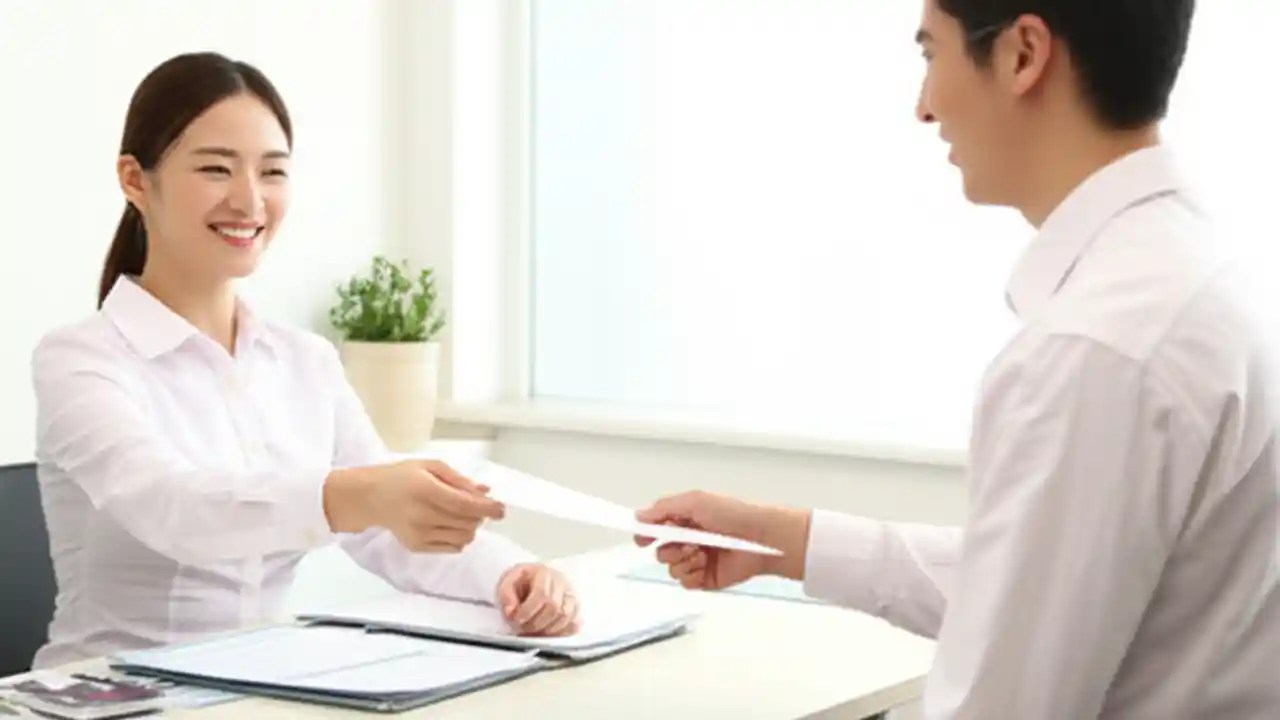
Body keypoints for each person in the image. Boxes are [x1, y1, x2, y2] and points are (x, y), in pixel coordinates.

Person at [638, 1, 1279, 717]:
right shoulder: (1201, 278)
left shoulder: (1094, 350)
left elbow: (1007, 695)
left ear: (1022, 55)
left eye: (930, 53)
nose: (923, 107)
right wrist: (785, 541)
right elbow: (1051, 586)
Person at [30, 52, 579, 669]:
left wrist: (513, 572)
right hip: (114, 694)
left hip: (262, 686)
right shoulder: (79, 358)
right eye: (215, 169)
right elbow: (175, 508)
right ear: (135, 179)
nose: (249, 201)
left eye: (273, 172)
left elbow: (384, 532)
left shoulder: (304, 359)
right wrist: (362, 493)